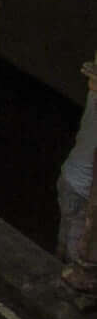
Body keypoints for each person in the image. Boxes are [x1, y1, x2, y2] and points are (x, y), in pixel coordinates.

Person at [58, 88, 97, 265]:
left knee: (65, 232)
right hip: (83, 190)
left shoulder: (94, 92)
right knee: (77, 255)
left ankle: (57, 264)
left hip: (70, 176)